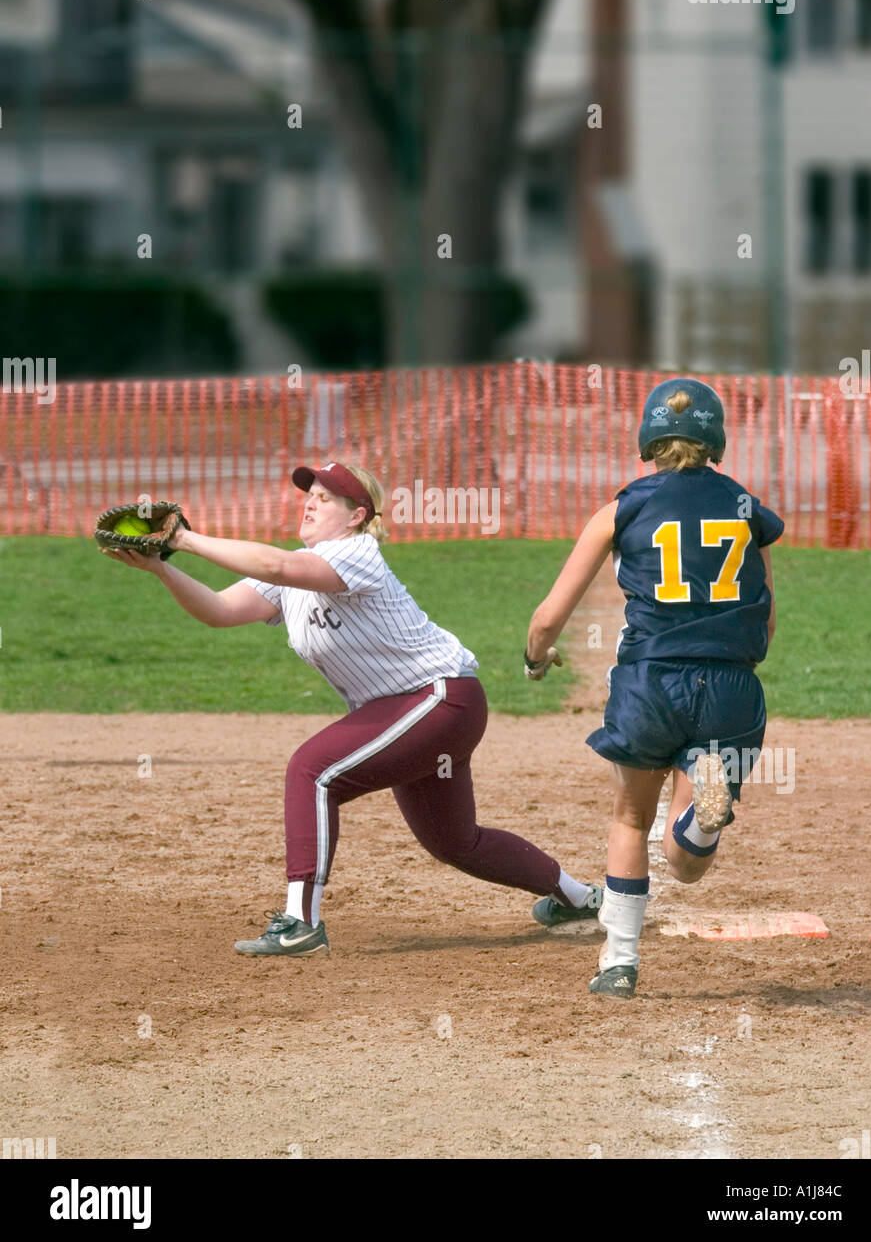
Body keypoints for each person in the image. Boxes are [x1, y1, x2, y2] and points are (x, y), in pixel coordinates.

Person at [104, 460, 601, 956]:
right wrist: (161, 567)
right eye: (309, 493)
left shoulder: (358, 553)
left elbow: (276, 564)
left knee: (312, 770)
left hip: (440, 699)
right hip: (413, 713)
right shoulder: (295, 573)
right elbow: (219, 611)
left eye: (327, 496)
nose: (311, 501)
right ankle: (578, 897)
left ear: (357, 515)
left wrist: (185, 540)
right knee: (455, 842)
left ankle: (301, 922)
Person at [524, 379, 783, 998]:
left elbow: (549, 616)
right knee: (686, 862)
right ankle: (701, 822)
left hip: (649, 681)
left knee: (632, 817)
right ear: (714, 436)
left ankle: (619, 962)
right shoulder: (747, 507)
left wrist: (537, 657)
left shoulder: (624, 507)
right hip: (730, 686)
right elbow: (767, 616)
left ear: (649, 437)